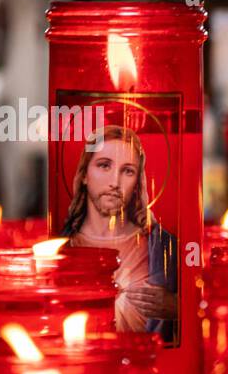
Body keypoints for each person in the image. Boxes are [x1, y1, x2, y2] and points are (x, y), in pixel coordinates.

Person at [60, 125, 178, 342]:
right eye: (104, 165)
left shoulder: (163, 246)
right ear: (85, 174)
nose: (115, 182)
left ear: (137, 183)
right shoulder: (60, 250)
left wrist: (177, 308)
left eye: (127, 171)